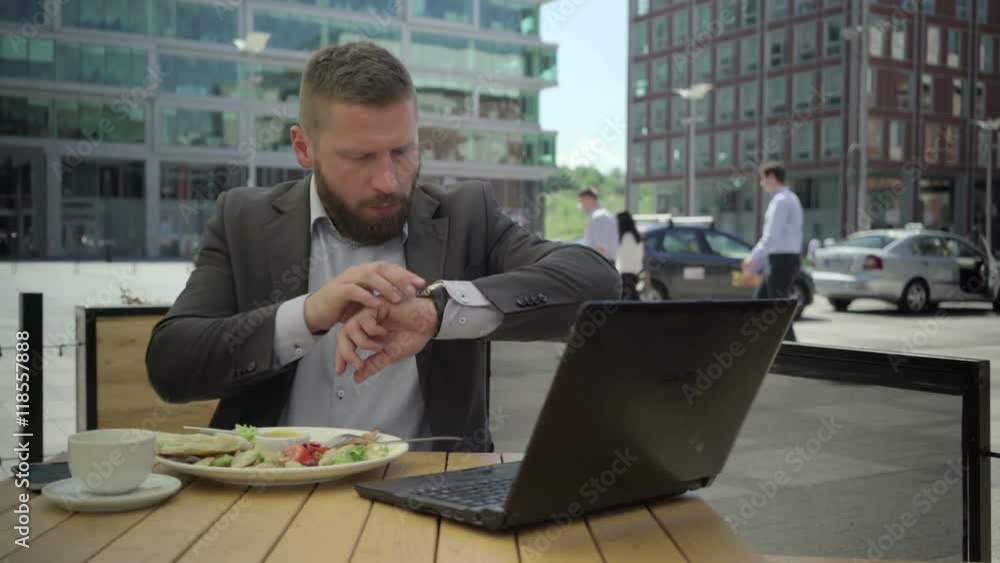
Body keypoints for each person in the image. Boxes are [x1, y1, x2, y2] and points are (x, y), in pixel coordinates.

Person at [145, 42, 620, 452]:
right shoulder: (243, 219)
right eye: (359, 158)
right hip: (271, 494)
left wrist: (437, 311)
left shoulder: (467, 216)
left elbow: (595, 282)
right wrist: (308, 315)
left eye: (402, 151)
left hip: (429, 494)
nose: (388, 181)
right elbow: (171, 365)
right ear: (304, 148)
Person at [741, 161, 803, 341]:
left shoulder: (780, 201)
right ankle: (761, 348)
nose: (762, 184)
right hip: (783, 260)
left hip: (781, 262)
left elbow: (771, 237)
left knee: (777, 312)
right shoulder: (791, 198)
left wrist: (752, 258)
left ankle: (792, 350)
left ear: (772, 178)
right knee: (762, 307)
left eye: (763, 179)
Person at [577, 188, 619, 261]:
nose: (580, 205)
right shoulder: (600, 215)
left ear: (589, 199)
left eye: (581, 201)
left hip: (601, 262)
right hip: (602, 261)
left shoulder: (599, 217)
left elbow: (601, 249)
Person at [615, 211, 643, 300]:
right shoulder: (636, 237)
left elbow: (622, 258)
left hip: (625, 274)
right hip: (634, 273)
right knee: (633, 298)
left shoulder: (625, 238)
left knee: (627, 300)